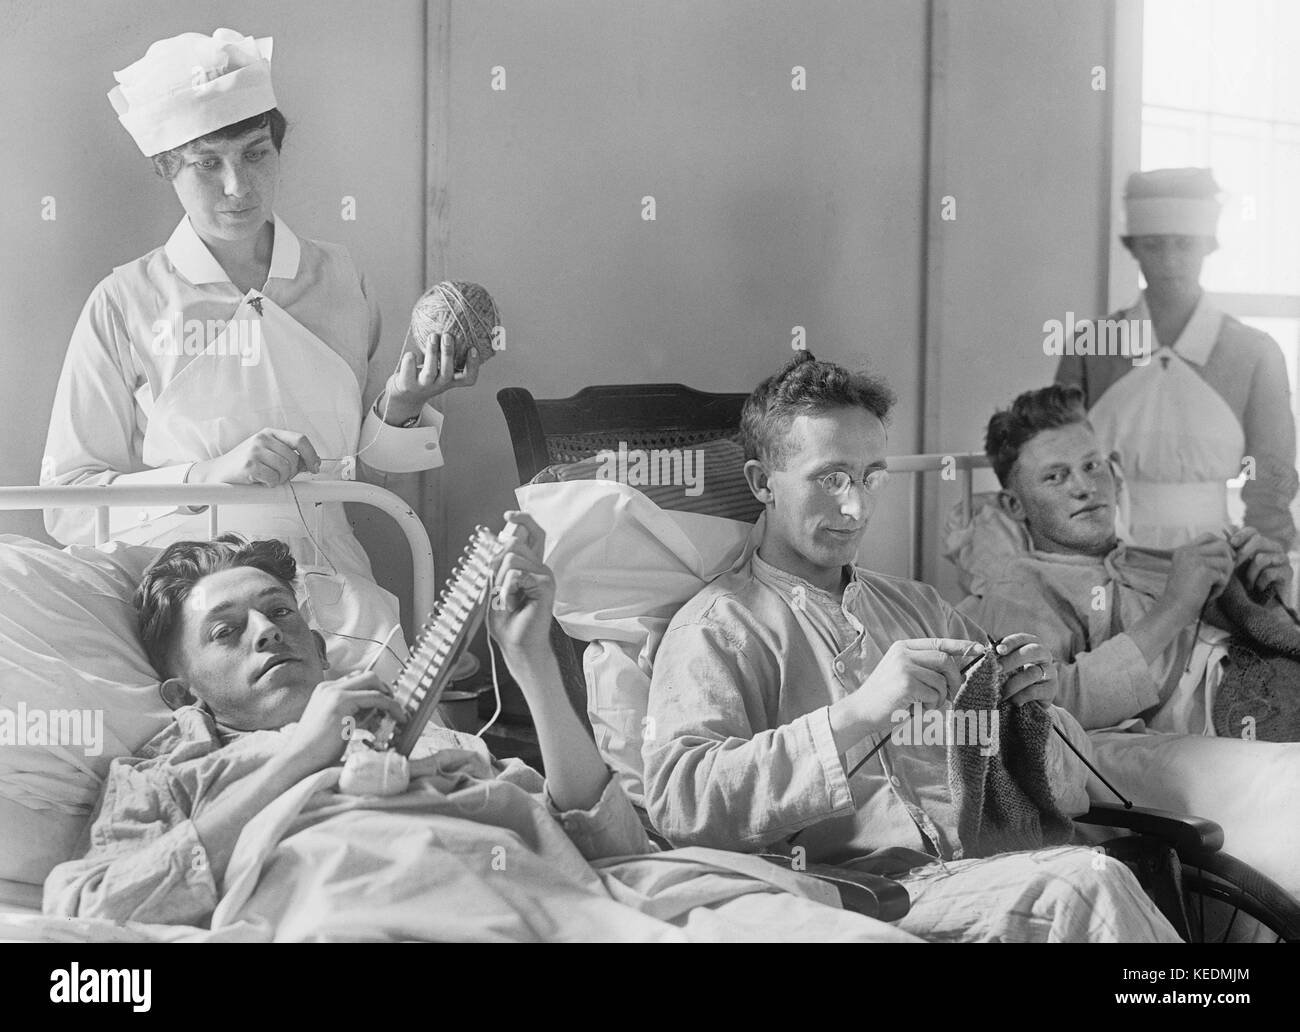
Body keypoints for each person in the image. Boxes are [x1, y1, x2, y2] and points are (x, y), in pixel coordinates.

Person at [42, 517, 918, 943]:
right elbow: (92, 908)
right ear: (180, 689)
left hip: (569, 904)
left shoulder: (425, 734)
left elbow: (610, 841)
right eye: (226, 631)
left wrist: (531, 658)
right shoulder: (173, 766)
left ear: (315, 634)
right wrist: (300, 760)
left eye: (277, 611)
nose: (267, 631)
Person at [641, 353, 1181, 943]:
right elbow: (682, 805)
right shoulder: (716, 629)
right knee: (1087, 885)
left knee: (1104, 873)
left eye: (871, 475)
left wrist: (1036, 711)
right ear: (761, 483)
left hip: (988, 872)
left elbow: (1059, 780)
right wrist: (857, 716)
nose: (857, 507)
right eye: (830, 478)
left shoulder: (917, 609)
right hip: (856, 900)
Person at [40, 28, 477, 669]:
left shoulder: (340, 278)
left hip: (335, 590)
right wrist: (205, 478)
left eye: (256, 154)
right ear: (166, 166)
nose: (238, 186)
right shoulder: (125, 301)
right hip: (201, 605)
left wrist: (404, 404)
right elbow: (68, 506)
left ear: (279, 150)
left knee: (382, 742)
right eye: (207, 163)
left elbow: (361, 471)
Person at [956, 384, 1293, 734]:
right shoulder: (1019, 588)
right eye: (1056, 476)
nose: (1085, 486)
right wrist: (1176, 605)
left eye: (1092, 465)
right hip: (1238, 711)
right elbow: (1048, 706)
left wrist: (1272, 595)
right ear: (1015, 505)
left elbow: (1270, 636)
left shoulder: (1159, 561)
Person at [1055, 167, 1297, 549]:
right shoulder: (1091, 344)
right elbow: (1056, 456)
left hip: (1214, 553)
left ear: (1208, 246)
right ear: (1133, 248)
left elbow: (1270, 474)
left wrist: (1268, 556)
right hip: (1103, 550)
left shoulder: (1254, 351)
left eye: (1184, 244)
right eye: (1153, 245)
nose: (1169, 261)